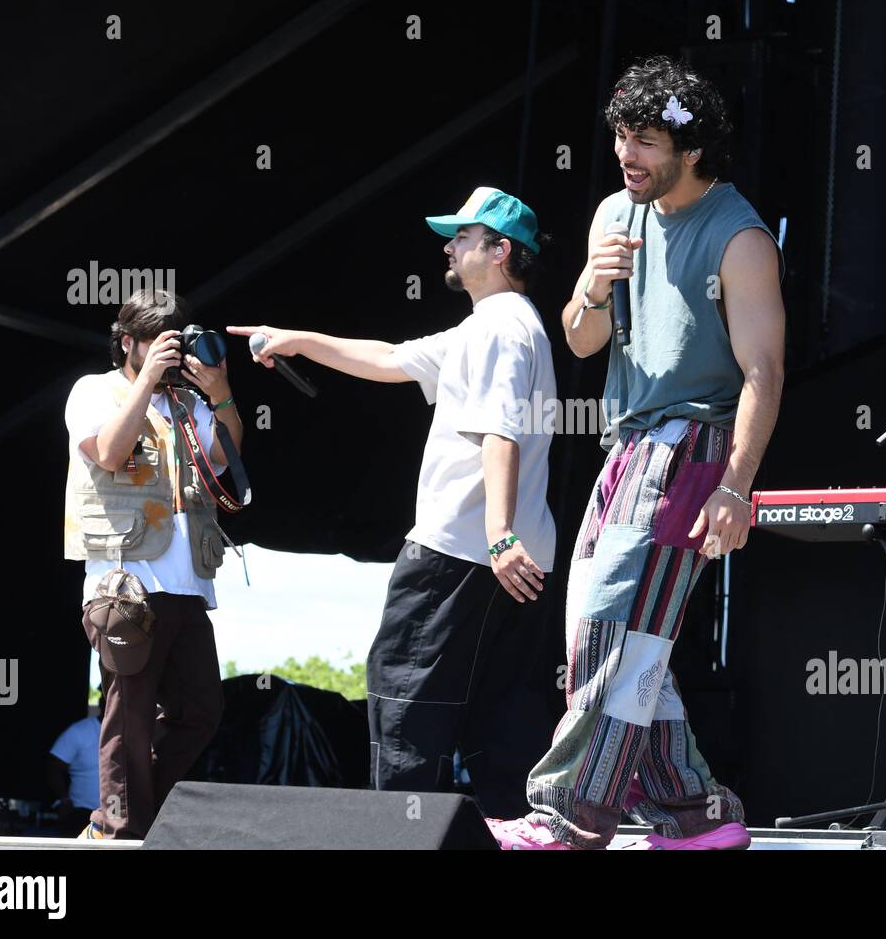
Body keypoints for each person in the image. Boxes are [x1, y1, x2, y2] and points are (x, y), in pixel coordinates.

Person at [486, 56, 786, 850]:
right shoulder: (614, 215)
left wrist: (735, 486)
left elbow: (765, 370)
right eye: (621, 134)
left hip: (693, 444)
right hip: (627, 444)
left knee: (613, 628)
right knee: (609, 629)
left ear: (692, 147)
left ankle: (567, 814)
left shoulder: (740, 235)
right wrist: (590, 282)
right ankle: (694, 814)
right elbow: (582, 337)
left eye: (646, 139)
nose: (628, 153)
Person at [228, 187, 558, 818]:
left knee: (405, 693)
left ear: (501, 250)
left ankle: (403, 837)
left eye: (463, 236)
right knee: (499, 710)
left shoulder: (501, 329)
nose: (450, 245)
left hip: (464, 549)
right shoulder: (492, 326)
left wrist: (497, 533)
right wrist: (296, 339)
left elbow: (502, 430)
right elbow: (387, 359)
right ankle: (511, 830)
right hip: (508, 556)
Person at [64, 288, 243, 839]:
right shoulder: (95, 391)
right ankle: (114, 830)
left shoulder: (188, 403)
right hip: (125, 586)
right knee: (130, 714)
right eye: (157, 340)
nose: (170, 351)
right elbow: (111, 453)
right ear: (128, 343)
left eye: (177, 339)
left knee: (201, 711)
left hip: (188, 586)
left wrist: (220, 393)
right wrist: (144, 384)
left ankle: (139, 815)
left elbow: (228, 461)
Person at [46, 699, 102, 836]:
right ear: (102, 702)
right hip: (80, 813)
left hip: (116, 814)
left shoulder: (132, 731)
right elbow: (54, 767)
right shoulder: (79, 731)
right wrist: (63, 800)